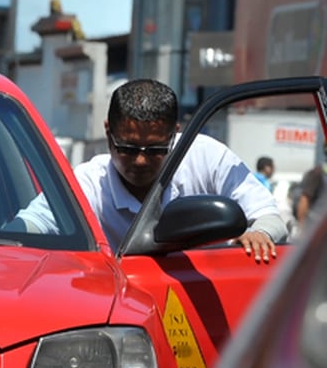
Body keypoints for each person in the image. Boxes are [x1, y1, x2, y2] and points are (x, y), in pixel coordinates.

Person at [15, 79, 286, 263]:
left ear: (175, 135)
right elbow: (32, 224)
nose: (141, 162)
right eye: (128, 148)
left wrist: (259, 235)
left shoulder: (207, 156)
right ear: (109, 133)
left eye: (156, 150)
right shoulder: (89, 183)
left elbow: (270, 217)